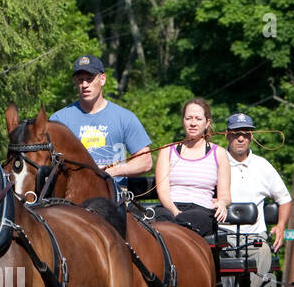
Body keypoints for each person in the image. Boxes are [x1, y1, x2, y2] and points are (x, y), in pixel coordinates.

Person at [49, 55, 152, 189]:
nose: (84, 85)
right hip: (71, 198)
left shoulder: (125, 117)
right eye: (80, 80)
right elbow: (46, 161)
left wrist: (111, 172)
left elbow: (145, 162)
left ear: (102, 79)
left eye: (89, 79)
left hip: (114, 200)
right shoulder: (58, 120)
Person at [223, 112, 292, 287]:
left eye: (245, 133)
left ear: (251, 137)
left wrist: (281, 225)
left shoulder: (262, 166)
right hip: (222, 236)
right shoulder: (217, 162)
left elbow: (284, 199)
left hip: (254, 239)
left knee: (263, 252)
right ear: (226, 135)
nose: (240, 138)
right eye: (236, 133)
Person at [154, 97, 231, 238]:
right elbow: (163, 192)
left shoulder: (219, 153)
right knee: (159, 219)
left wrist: (222, 203)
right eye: (188, 118)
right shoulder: (167, 151)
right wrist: (176, 213)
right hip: (170, 209)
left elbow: (225, 195)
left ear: (207, 122)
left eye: (198, 119)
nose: (193, 123)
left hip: (200, 211)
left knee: (191, 219)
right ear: (183, 121)